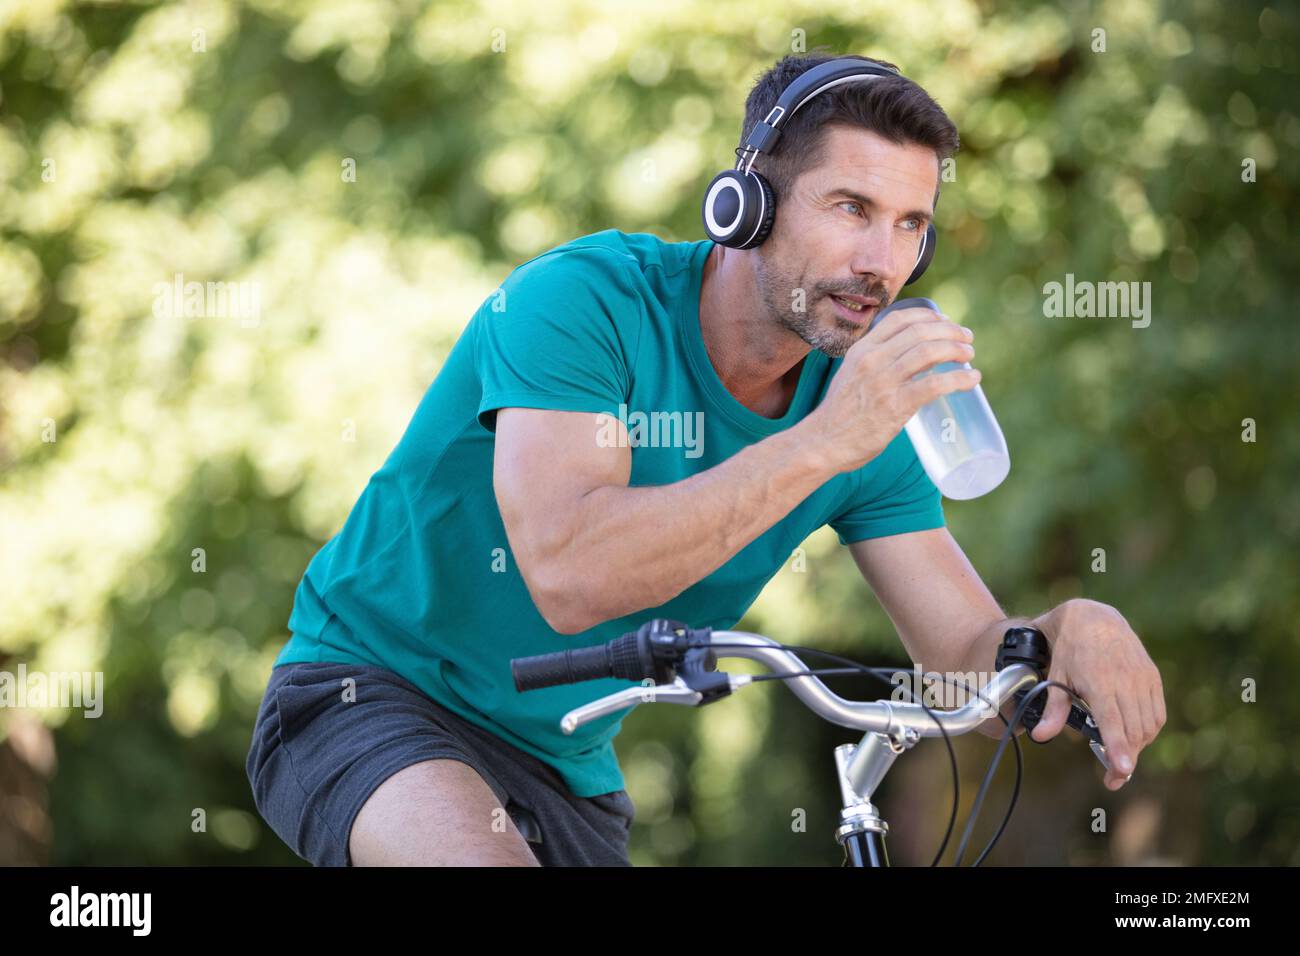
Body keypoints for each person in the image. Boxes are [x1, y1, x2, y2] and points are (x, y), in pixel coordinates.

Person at [246, 51, 1165, 867]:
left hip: (567, 761)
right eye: (852, 208)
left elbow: (966, 663)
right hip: (371, 693)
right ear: (747, 203)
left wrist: (1057, 633)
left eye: (908, 224)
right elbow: (568, 572)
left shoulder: (855, 410)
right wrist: (824, 443)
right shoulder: (582, 304)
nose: (882, 261)